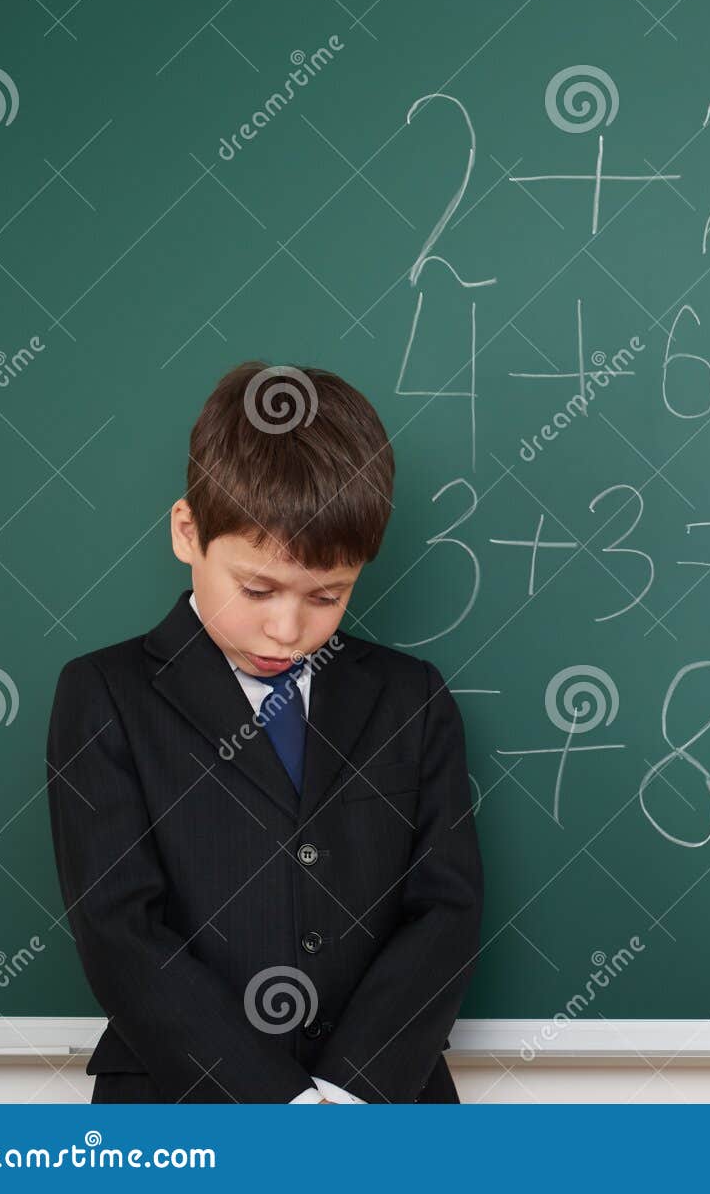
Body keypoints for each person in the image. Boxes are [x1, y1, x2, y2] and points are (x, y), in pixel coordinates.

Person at [45, 361, 483, 1103]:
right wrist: (277, 1106)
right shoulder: (105, 695)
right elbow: (121, 928)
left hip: (384, 1102)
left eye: (328, 595)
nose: (287, 627)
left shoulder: (413, 697)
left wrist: (347, 1092)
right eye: (257, 589)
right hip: (177, 1103)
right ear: (188, 532)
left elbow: (446, 908)